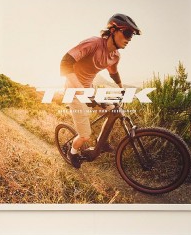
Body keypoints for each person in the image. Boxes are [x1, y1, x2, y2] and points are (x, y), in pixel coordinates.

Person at [59, 13, 141, 168]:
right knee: (84, 136)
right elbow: (65, 63)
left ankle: (101, 143)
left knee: (113, 111)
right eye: (127, 33)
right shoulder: (93, 43)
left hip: (89, 89)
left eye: (132, 35)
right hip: (73, 89)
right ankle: (73, 151)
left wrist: (121, 87)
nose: (129, 38)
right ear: (113, 30)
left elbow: (113, 72)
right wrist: (83, 92)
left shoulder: (115, 55)